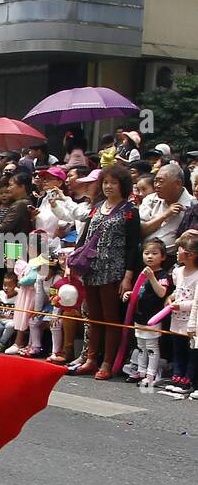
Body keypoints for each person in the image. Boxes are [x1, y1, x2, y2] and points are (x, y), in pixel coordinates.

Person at [70, 165, 138, 379]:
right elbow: (84, 237)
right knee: (93, 315)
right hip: (91, 268)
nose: (108, 186)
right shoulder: (96, 207)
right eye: (106, 182)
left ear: (122, 185)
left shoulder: (129, 211)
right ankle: (91, 359)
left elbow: (133, 245)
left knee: (110, 317)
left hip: (113, 270)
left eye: (113, 182)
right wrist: (73, 261)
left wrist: (127, 277)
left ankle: (107, 362)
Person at [124, 238, 171, 388]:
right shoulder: (142, 273)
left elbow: (161, 292)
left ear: (163, 257)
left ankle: (151, 374)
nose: (149, 256)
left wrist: (151, 277)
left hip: (153, 317)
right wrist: (131, 294)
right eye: (146, 253)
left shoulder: (162, 275)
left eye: (154, 253)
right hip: (140, 315)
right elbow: (140, 291)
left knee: (151, 346)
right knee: (141, 345)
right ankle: (141, 371)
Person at [164, 234, 198, 395]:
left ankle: (188, 379)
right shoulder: (177, 272)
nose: (177, 253)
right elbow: (177, 291)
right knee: (177, 348)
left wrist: (180, 305)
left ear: (190, 254)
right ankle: (177, 375)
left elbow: (195, 302)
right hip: (176, 319)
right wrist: (171, 298)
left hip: (191, 320)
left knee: (191, 350)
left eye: (180, 250)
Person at [139, 163, 195, 253]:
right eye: (155, 181)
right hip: (145, 255)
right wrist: (165, 215)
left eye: (161, 181)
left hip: (173, 259)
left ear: (178, 183)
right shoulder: (150, 199)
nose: (156, 185)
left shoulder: (193, 205)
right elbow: (140, 230)